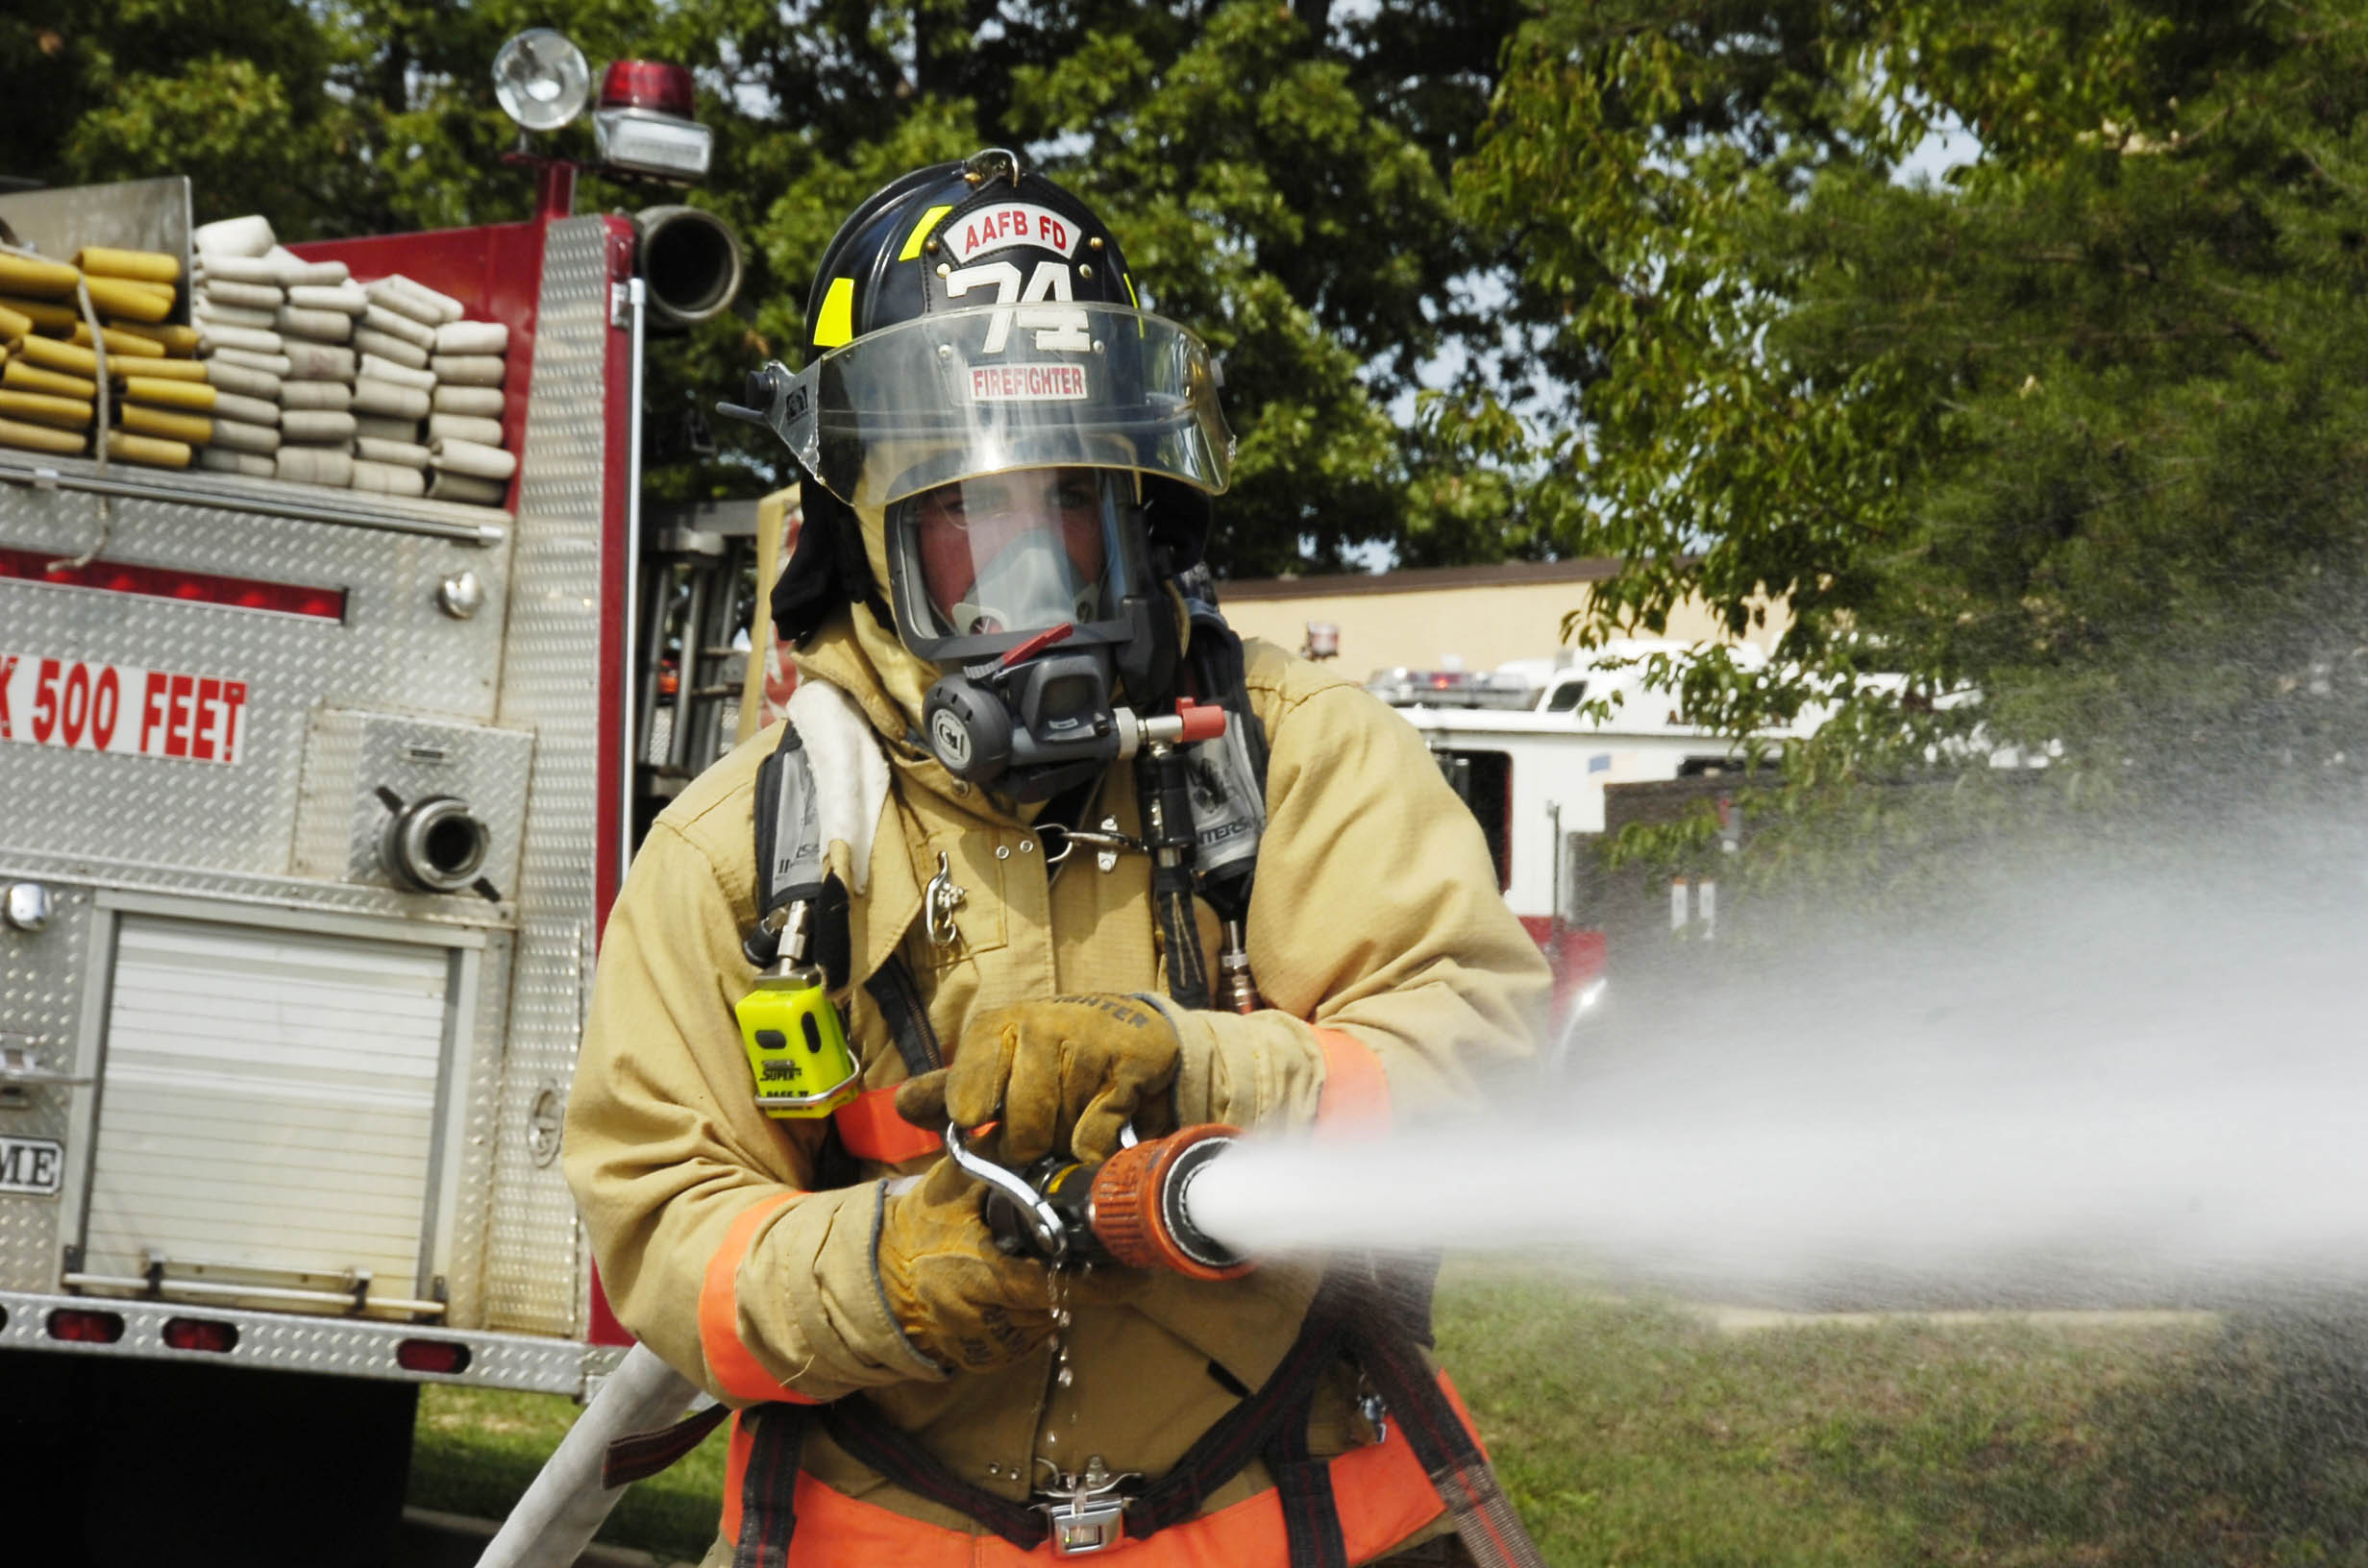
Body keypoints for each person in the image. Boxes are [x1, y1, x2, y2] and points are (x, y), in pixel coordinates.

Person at [563, 149, 1551, 1568]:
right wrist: (888, 1273)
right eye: (978, 529)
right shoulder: (745, 853)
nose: (1044, 603)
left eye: (1074, 520)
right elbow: (670, 1234)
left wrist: (1197, 1065)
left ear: (1144, 511)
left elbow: (1484, 1067)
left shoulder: (1290, 748)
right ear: (868, 534)